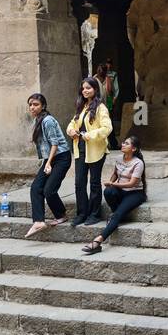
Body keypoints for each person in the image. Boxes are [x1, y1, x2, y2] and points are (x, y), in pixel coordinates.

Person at [81, 135, 147, 255]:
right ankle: (118, 215)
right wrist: (111, 183)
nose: (123, 144)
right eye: (123, 142)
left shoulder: (138, 163)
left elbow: (132, 183)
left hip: (134, 193)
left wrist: (113, 184)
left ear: (134, 149)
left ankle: (98, 241)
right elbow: (115, 174)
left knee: (116, 214)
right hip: (121, 190)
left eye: (126, 143)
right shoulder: (119, 159)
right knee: (108, 192)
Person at [66, 76, 113, 226]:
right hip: (80, 148)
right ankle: (82, 213)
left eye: (89, 88)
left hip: (96, 149)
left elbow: (107, 128)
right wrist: (71, 131)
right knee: (79, 183)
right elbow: (72, 123)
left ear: (95, 90)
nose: (85, 90)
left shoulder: (101, 107)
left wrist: (89, 135)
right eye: (83, 88)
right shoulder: (81, 107)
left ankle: (95, 214)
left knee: (94, 182)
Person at [24, 93, 72, 238]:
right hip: (50, 158)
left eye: (36, 104)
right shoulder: (38, 120)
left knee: (49, 190)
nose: (32, 107)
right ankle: (39, 221)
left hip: (61, 158)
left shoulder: (48, 120)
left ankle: (61, 215)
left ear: (43, 106)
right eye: (31, 104)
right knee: (36, 188)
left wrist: (49, 163)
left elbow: (55, 143)